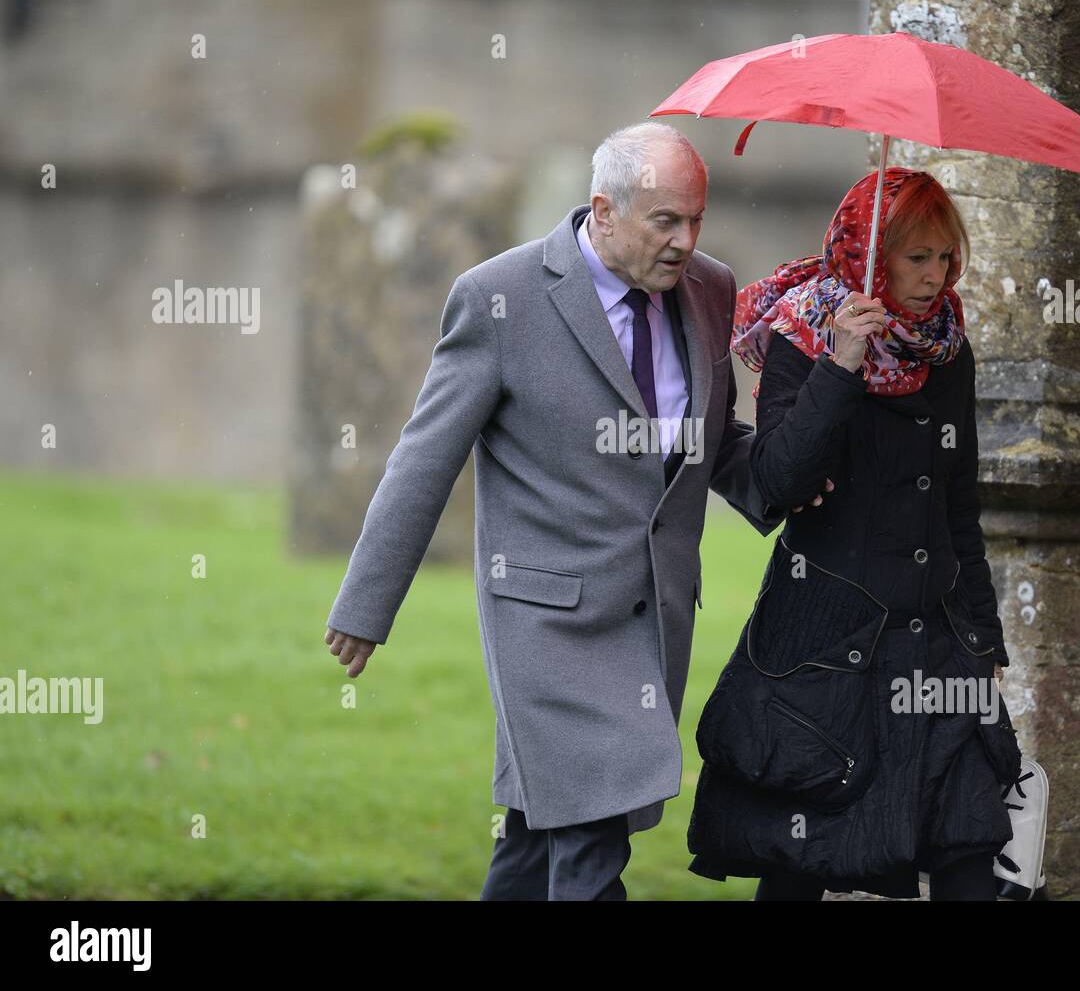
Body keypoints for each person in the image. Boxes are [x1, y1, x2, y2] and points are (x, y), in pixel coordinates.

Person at [321, 121, 824, 900]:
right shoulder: (500, 298)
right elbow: (426, 458)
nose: (685, 239)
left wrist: (798, 474)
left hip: (651, 617)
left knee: (536, 841)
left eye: (696, 219)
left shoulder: (711, 290)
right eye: (666, 220)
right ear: (605, 209)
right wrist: (366, 602)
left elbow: (714, 443)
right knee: (591, 847)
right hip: (546, 627)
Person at [686, 166, 1022, 901]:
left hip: (936, 643)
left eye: (945, 257)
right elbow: (778, 483)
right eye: (916, 258)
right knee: (801, 862)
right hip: (821, 649)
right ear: (867, 252)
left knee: (969, 849)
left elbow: (958, 505)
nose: (936, 277)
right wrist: (840, 365)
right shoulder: (803, 333)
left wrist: (984, 640)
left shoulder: (945, 346)